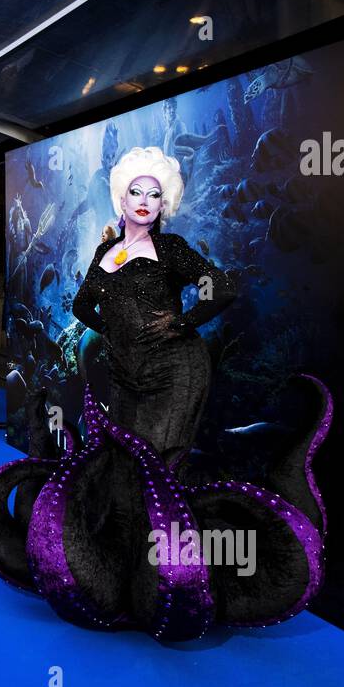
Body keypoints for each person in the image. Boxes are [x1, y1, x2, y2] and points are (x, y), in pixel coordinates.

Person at [72, 146, 235, 458]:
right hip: (123, 375)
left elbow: (223, 287)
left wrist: (181, 321)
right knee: (122, 462)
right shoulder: (103, 253)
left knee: (158, 469)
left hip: (173, 373)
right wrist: (109, 331)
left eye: (154, 194)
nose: (144, 201)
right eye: (136, 192)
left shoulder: (170, 248)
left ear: (164, 204)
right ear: (122, 200)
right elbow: (80, 306)